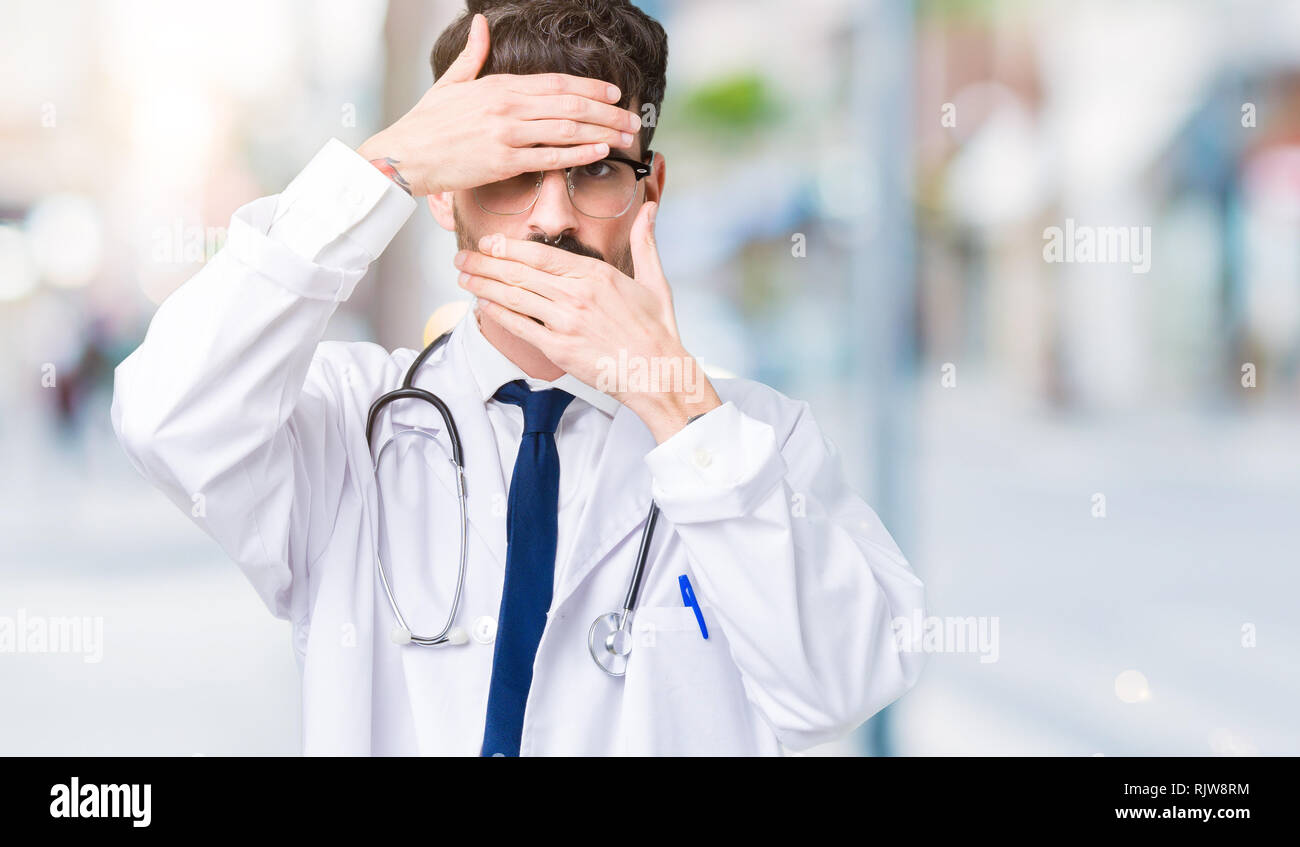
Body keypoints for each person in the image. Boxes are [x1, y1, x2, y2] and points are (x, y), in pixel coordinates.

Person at [110, 0, 927, 756]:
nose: (551, 217)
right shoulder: (347, 424)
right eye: (508, 170)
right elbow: (165, 414)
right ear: (443, 196)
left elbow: (843, 686)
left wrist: (677, 404)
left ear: (653, 191)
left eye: (596, 171)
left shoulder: (752, 437)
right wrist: (382, 168)